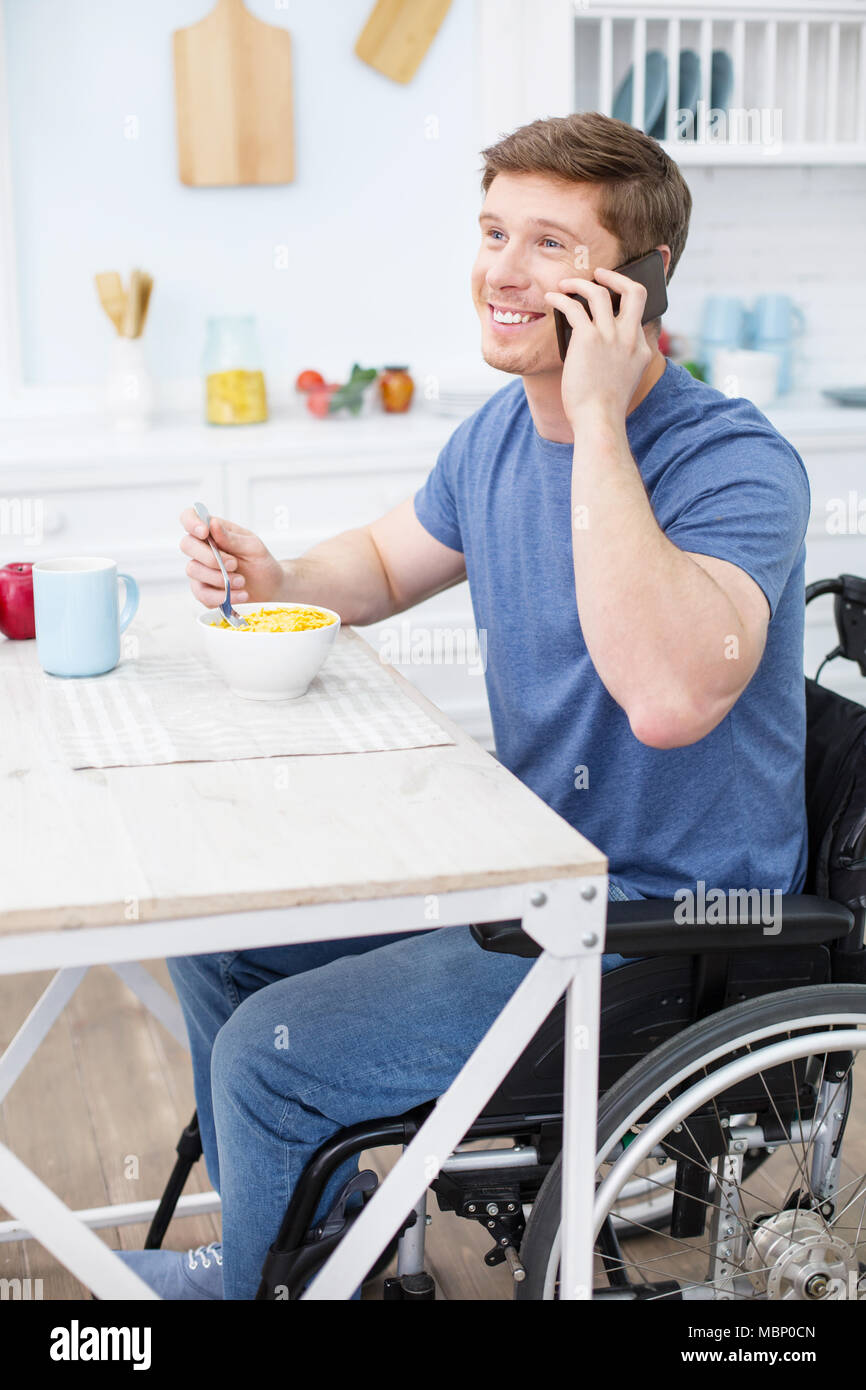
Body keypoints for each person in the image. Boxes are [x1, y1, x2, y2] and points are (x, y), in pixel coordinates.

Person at [119, 112, 810, 1299]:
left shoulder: (731, 461)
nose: (500, 270)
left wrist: (599, 416)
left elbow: (664, 696)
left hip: (658, 928)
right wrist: (280, 576)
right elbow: (388, 566)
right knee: (222, 944)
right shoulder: (494, 434)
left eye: (549, 243)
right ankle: (312, 1250)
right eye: (494, 231)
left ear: (638, 284)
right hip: (522, 874)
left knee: (260, 1060)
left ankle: (256, 1287)